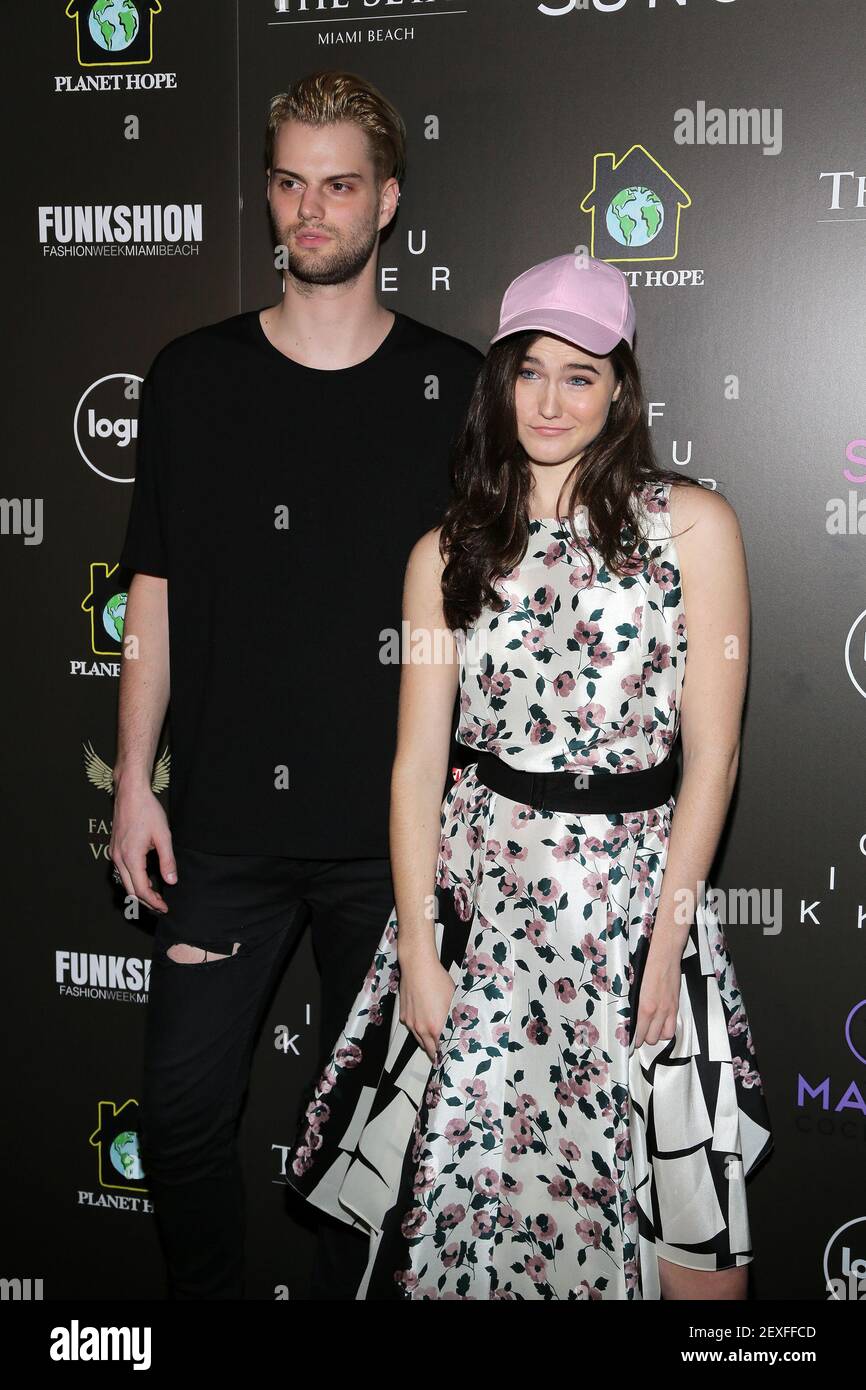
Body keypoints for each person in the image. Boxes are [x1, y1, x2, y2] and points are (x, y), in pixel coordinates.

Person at [284, 251, 774, 1300]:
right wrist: (417, 943)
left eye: (579, 374)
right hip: (490, 919)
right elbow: (418, 765)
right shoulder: (446, 553)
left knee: (691, 1250)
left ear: (618, 388)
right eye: (528, 369)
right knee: (483, 1232)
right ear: (498, 380)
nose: (549, 400)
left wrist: (669, 933)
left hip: (634, 910)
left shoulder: (692, 529)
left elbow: (713, 756)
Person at [109, 69, 484, 1300]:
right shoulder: (191, 378)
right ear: (265, 195)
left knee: (367, 1153)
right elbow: (150, 600)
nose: (309, 210)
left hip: (392, 841)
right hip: (218, 828)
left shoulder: (459, 386)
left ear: (387, 200)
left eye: (337, 185)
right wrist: (132, 787)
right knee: (175, 1119)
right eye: (287, 183)